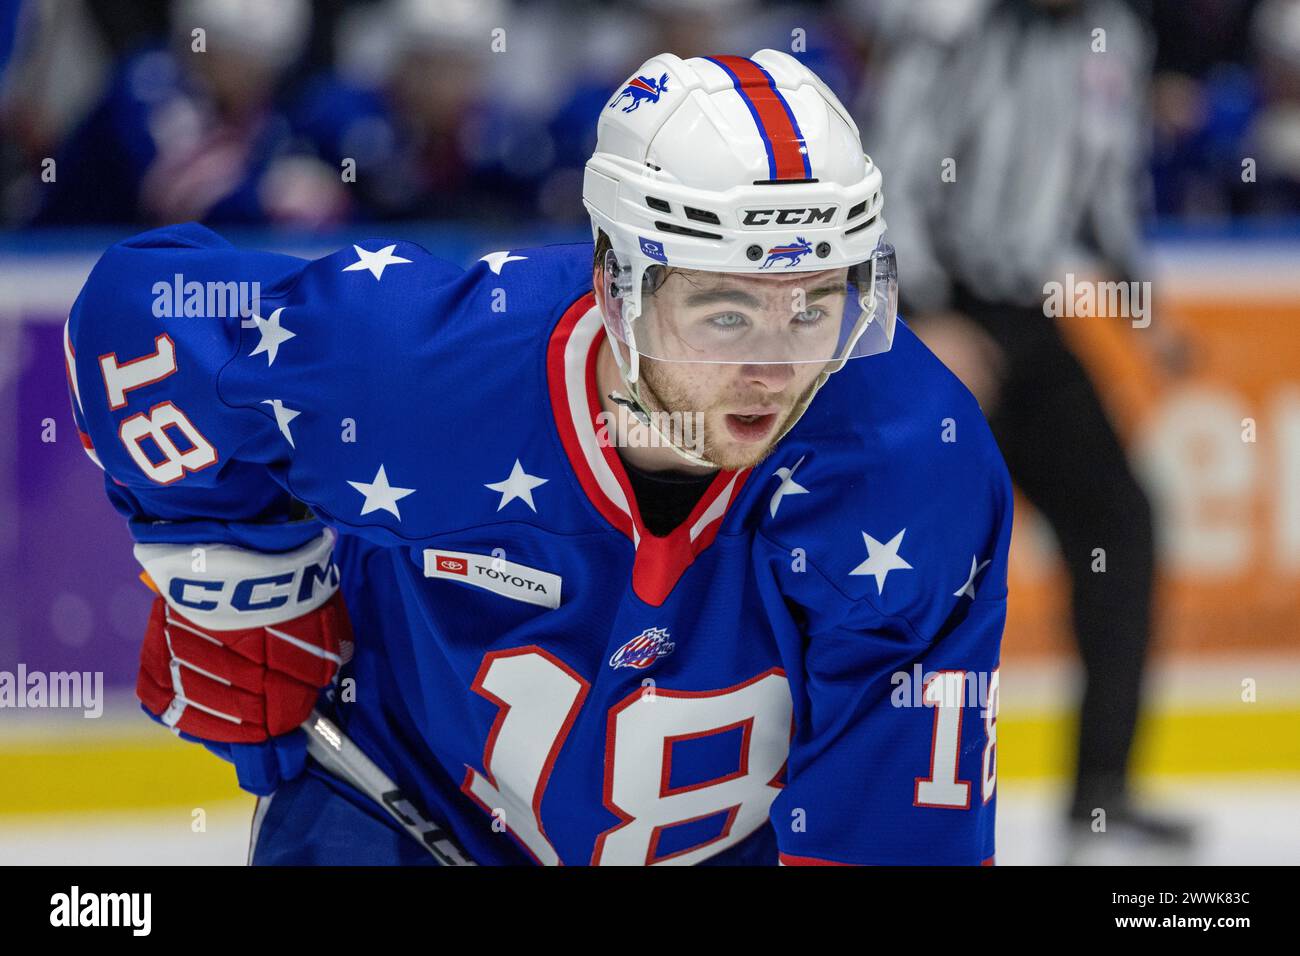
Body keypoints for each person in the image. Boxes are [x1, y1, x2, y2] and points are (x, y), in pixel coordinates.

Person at [64, 50, 1012, 865]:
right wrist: (241, 574)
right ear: (618, 284)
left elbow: (886, 837)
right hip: (395, 796)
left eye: (816, 305)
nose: (775, 366)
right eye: (725, 312)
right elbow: (139, 316)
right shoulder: (423, 368)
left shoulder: (906, 465)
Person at [861, 0, 1194, 861]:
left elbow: (1104, 174)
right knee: (907, 552)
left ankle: (1102, 791)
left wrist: (1136, 298)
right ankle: (868, 788)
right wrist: (924, 311)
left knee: (1121, 523)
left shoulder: (1114, 32)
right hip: (933, 311)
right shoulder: (950, 24)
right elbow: (888, 163)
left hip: (1027, 311)